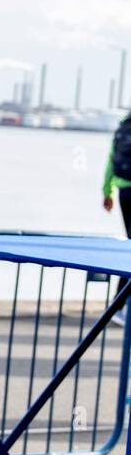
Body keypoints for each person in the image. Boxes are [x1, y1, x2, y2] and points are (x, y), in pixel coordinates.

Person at [104, 112, 131, 326]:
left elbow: (110, 159)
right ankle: (117, 305)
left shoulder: (124, 126)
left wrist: (107, 191)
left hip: (123, 192)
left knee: (130, 246)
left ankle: (118, 305)